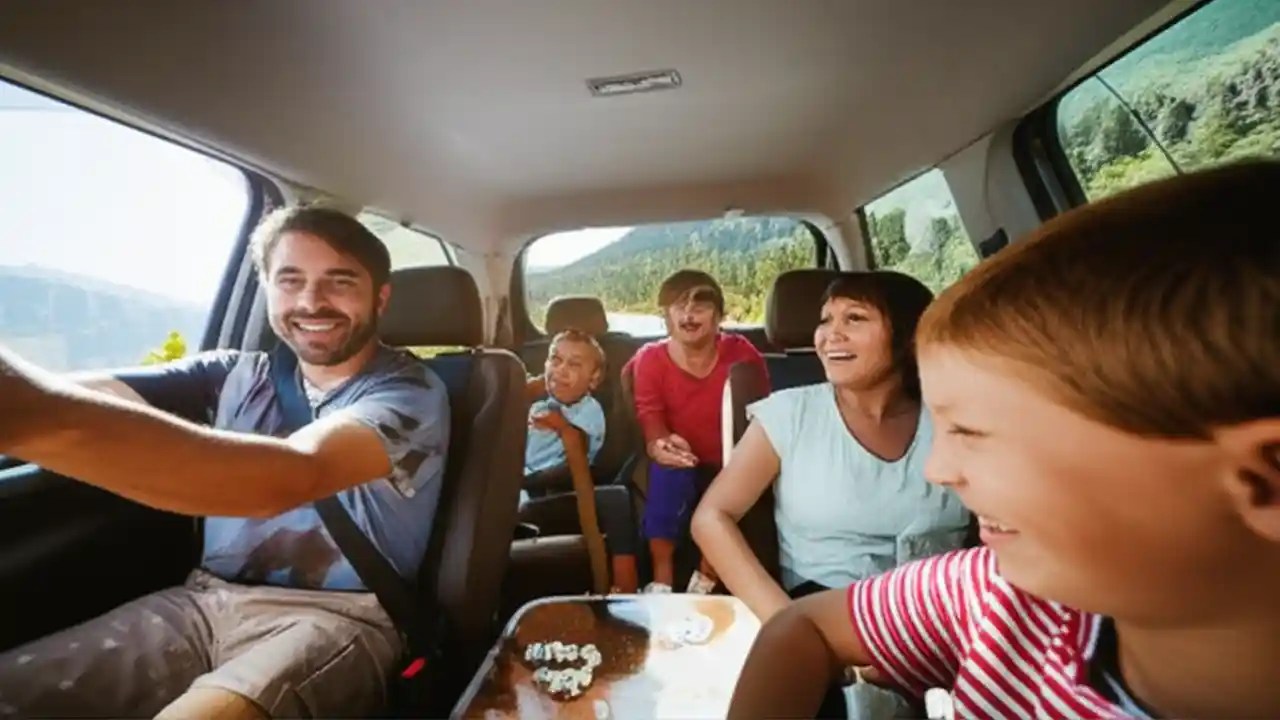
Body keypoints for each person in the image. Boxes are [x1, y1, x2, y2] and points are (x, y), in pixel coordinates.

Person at [725, 162, 1280, 720]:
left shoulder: (1006, 584)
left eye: (978, 433)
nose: (939, 469)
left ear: (1265, 480)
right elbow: (806, 624)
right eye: (827, 319)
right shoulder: (997, 597)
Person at [0, 205, 450, 719]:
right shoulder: (232, 374)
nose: (311, 301)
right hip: (200, 604)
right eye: (290, 280)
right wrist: (33, 404)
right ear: (267, 288)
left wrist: (29, 413)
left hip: (338, 617)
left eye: (339, 281)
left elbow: (294, 475)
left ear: (381, 297)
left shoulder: (410, 394)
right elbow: (95, 395)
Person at [693, 271, 971, 717]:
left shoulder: (957, 416)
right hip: (823, 616)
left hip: (941, 619)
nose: (829, 335)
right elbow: (712, 517)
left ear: (907, 333)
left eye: (854, 318)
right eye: (825, 320)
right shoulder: (790, 413)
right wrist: (790, 628)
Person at [626, 269, 769, 593]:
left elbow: (763, 417)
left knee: (734, 484)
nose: (689, 314)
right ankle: (661, 579)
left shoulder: (743, 354)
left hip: (735, 459)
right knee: (667, 473)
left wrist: (743, 464)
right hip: (681, 460)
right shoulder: (649, 359)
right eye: (679, 306)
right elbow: (651, 418)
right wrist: (660, 444)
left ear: (718, 315)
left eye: (700, 306)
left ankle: (706, 575)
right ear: (666, 316)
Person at [524, 328, 607, 477]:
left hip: (548, 486)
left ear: (594, 378)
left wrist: (559, 424)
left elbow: (580, 445)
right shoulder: (539, 406)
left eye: (574, 364)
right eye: (555, 360)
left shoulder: (589, 409)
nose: (561, 370)